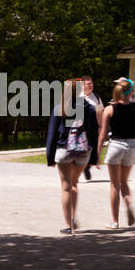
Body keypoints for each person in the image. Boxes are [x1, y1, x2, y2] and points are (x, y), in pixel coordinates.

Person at [46, 78, 98, 235]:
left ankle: (68, 225)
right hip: (83, 151)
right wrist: (94, 157)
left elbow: (52, 135)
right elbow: (93, 133)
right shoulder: (88, 108)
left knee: (66, 187)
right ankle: (73, 217)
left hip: (64, 150)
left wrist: (50, 158)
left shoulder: (60, 108)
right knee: (74, 184)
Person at [99, 80, 135, 228]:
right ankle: (129, 203)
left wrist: (97, 153)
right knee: (124, 182)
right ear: (131, 92)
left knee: (114, 185)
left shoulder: (109, 109)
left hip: (116, 146)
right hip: (132, 146)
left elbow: (103, 134)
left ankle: (114, 221)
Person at [81, 76, 103, 181]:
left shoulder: (96, 97)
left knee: (93, 149)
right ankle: (78, 168)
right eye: (88, 84)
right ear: (82, 86)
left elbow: (101, 112)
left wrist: (102, 126)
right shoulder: (77, 98)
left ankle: (87, 167)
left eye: (91, 84)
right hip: (82, 128)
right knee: (81, 149)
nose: (90, 86)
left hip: (94, 128)